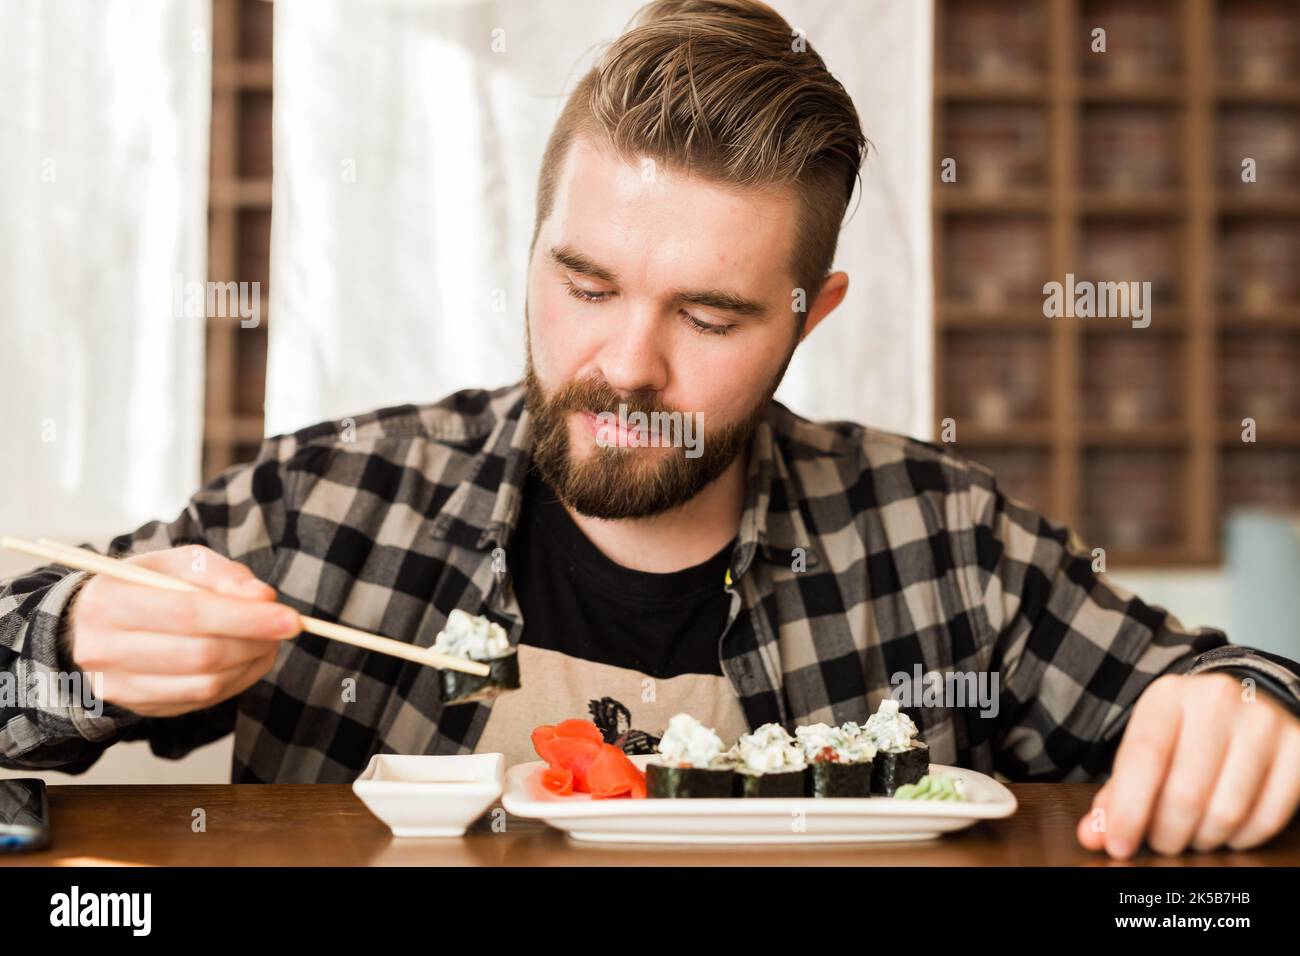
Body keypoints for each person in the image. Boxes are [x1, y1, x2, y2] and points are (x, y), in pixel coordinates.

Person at [2, 0, 1297, 859]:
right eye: (585, 284)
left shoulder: (945, 543)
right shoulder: (328, 505)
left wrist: (1247, 709)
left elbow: (1226, 695)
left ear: (810, 312)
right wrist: (71, 646)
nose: (624, 363)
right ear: (533, 251)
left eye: (714, 315)